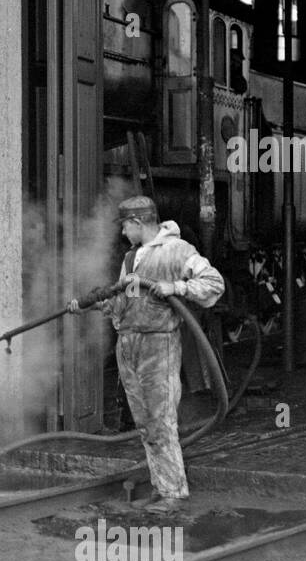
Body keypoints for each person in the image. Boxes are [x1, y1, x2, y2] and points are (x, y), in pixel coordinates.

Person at [68, 195, 225, 514]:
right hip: (128, 345)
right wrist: (90, 305)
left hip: (158, 345)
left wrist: (177, 288)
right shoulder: (131, 259)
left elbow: (213, 284)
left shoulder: (178, 251)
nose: (124, 233)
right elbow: (123, 302)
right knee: (145, 423)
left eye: (125, 226)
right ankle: (162, 486)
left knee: (160, 420)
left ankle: (173, 493)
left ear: (138, 222)